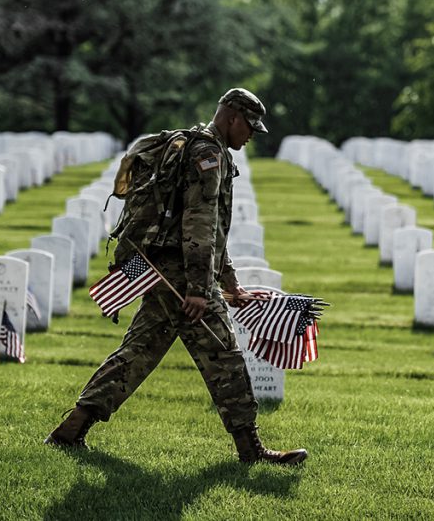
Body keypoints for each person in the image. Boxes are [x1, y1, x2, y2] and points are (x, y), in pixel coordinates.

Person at [44, 88, 307, 466]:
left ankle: (70, 430)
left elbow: (214, 229)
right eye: (249, 127)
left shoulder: (192, 145)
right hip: (182, 276)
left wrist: (229, 280)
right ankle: (251, 451)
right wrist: (201, 289)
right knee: (225, 354)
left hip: (161, 269)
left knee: (137, 353)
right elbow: (198, 225)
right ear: (232, 117)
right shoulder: (208, 154)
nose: (251, 135)